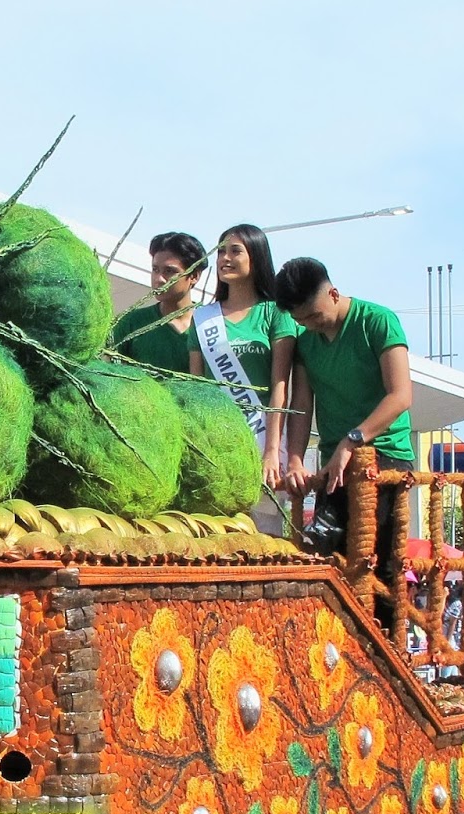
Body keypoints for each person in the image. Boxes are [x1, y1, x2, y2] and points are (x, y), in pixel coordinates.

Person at [276, 257, 415, 583]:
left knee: (381, 568)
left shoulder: (378, 321)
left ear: (334, 294)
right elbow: (301, 405)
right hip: (333, 468)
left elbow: (400, 396)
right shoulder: (306, 341)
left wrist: (351, 441)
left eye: (313, 315)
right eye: (299, 319)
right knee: (331, 563)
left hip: (386, 456)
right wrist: (295, 460)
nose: (309, 324)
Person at [186, 224, 299, 531]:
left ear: (256, 257)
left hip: (263, 437)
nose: (225, 258)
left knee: (265, 535)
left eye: (235, 251)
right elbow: (197, 390)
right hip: (218, 442)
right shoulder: (203, 318)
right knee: (217, 533)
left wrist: (271, 452)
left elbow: (280, 387)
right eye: (221, 251)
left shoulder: (275, 313)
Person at [110, 231, 207, 375]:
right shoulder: (132, 323)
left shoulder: (211, 325)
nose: (159, 279)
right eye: (155, 269)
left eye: (169, 271)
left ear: (194, 276)